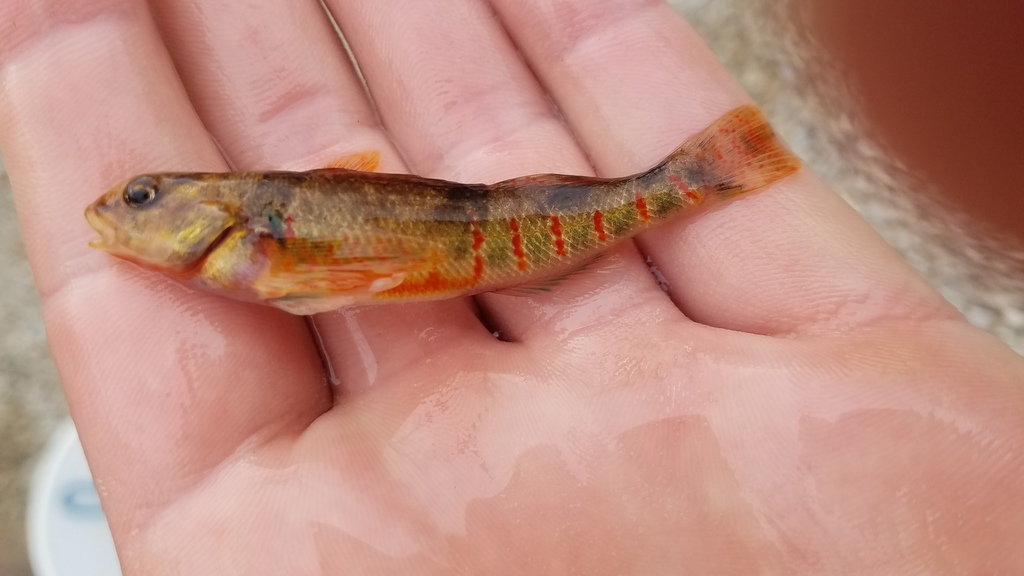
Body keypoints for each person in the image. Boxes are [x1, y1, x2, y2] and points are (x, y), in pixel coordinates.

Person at [1, 1, 1021, 573]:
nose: (122, 209)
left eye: (143, 196)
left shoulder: (260, 238)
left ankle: (699, 173)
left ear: (214, 206)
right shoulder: (251, 245)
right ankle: (697, 172)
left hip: (501, 220)